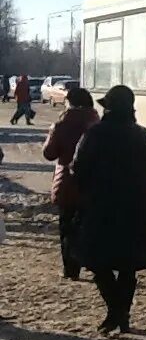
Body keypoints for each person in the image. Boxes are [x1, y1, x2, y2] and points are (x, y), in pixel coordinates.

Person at [72, 85, 146, 335]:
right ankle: (121, 313)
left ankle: (116, 312)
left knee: (98, 261)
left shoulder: (94, 134)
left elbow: (80, 169)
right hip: (138, 207)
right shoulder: (141, 134)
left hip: (102, 207)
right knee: (128, 265)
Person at [42, 87, 100, 279]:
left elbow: (49, 154)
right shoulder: (96, 123)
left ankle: (71, 269)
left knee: (67, 227)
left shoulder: (61, 124)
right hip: (93, 183)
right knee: (90, 225)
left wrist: (51, 133)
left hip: (67, 182)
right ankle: (93, 264)